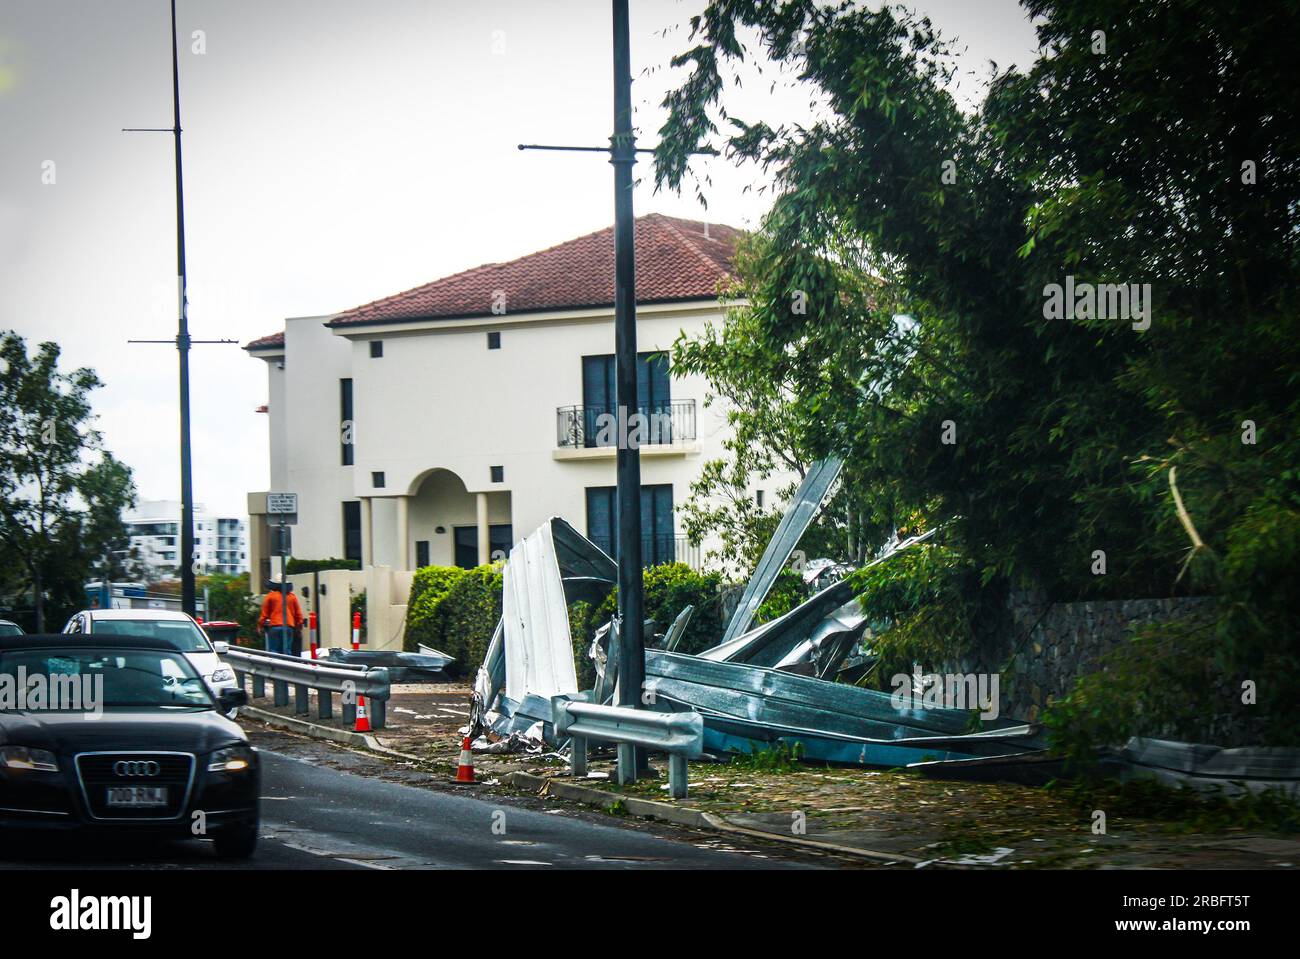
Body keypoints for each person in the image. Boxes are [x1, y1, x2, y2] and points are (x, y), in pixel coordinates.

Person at [259, 581, 304, 655]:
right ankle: (287, 665)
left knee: (274, 651)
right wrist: (299, 627)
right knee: (287, 650)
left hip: (275, 627)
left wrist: (260, 626)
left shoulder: (270, 596)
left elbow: (264, 615)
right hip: (289, 627)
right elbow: (298, 615)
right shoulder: (292, 597)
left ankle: (276, 666)